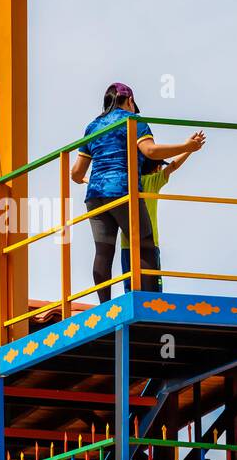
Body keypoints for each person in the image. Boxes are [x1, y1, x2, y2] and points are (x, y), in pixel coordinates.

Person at [70, 82, 204, 301]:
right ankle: (150, 303)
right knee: (145, 243)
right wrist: (186, 147)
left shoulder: (92, 127)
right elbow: (150, 151)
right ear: (130, 101)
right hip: (123, 190)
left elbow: (75, 173)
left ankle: (105, 306)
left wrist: (88, 180)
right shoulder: (133, 121)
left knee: (103, 251)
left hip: (95, 195)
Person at [118, 152, 191, 289]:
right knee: (153, 288)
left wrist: (85, 179)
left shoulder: (127, 184)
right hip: (150, 241)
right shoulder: (153, 182)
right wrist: (189, 149)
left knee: (131, 285)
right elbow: (173, 166)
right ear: (156, 168)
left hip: (127, 243)